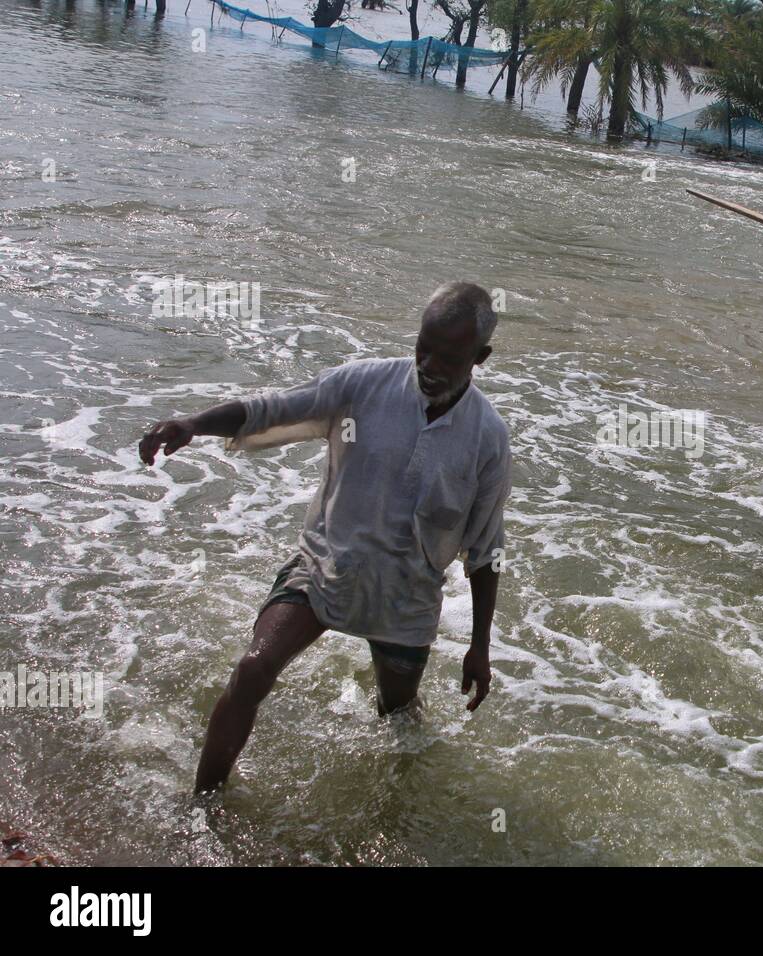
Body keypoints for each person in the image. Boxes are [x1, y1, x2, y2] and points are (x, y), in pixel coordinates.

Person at [138, 283, 513, 793]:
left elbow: (486, 550)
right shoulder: (364, 385)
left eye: (449, 358)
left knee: (398, 717)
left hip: (404, 596)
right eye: (423, 346)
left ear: (480, 357)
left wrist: (479, 648)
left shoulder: (487, 438)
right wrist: (191, 424)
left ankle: (397, 816)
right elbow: (271, 407)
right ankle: (203, 807)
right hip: (325, 566)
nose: (428, 364)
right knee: (252, 669)